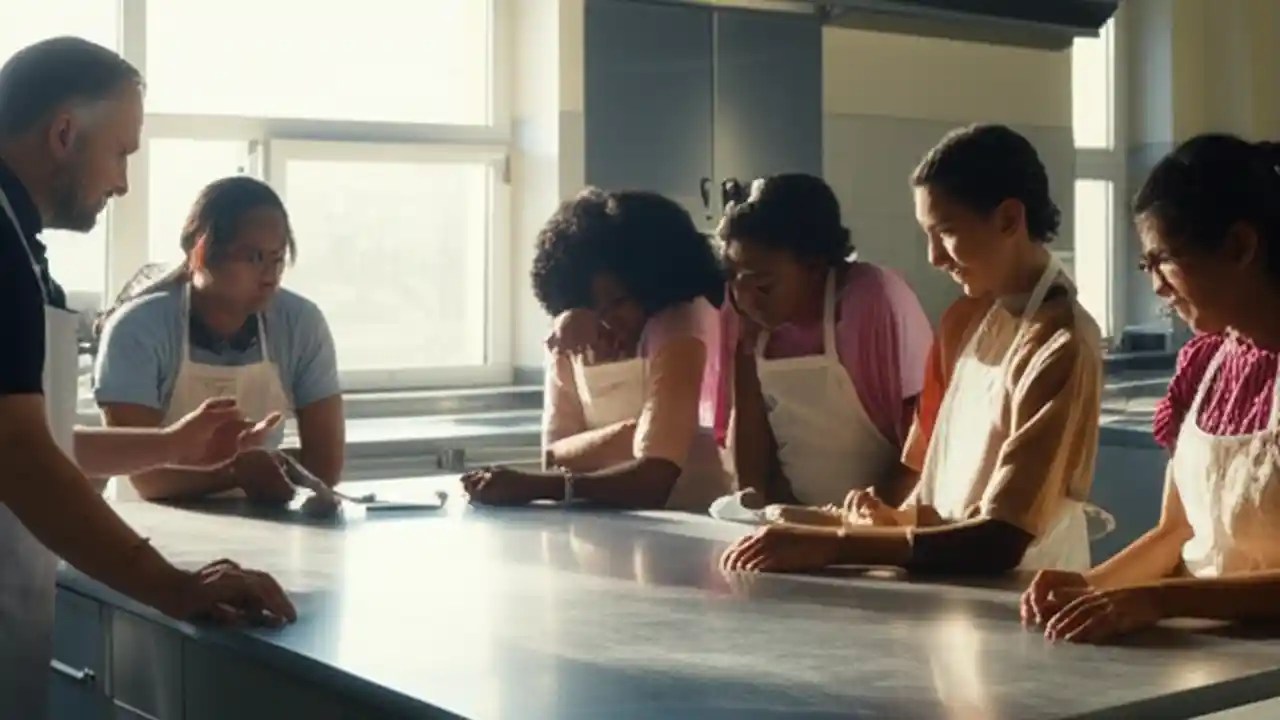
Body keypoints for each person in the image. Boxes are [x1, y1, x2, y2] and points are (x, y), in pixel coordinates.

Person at [0, 37, 295, 716]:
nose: (123, 182)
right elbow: (17, 453)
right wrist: (171, 586)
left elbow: (35, 434)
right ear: (64, 134)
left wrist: (170, 445)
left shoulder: (18, 242)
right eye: (121, 153)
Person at [721, 124, 1102, 575]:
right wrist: (865, 520)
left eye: (946, 232)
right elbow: (928, 488)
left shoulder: (1063, 343)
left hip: (1024, 591)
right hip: (947, 585)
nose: (934, 257)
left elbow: (1001, 538)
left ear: (1008, 220)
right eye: (928, 235)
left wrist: (836, 545)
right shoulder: (964, 322)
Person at [1023, 134, 1280, 644]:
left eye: (1162, 259)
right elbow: (1174, 532)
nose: (1156, 285)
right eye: (1147, 266)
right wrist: (1088, 587)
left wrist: (1162, 600)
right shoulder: (1207, 366)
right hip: (1213, 655)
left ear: (1239, 247)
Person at [462, 188, 729, 510]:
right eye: (593, 308)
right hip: (599, 518)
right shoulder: (573, 334)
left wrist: (539, 483)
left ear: (652, 288)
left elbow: (653, 480)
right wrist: (629, 434)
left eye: (620, 302)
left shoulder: (680, 325)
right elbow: (552, 455)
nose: (609, 320)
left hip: (693, 517)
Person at [95, 176, 344, 503]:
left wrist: (273, 471)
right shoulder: (138, 329)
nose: (270, 275)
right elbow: (148, 478)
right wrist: (236, 471)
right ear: (200, 254)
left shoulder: (300, 324)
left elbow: (326, 464)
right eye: (254, 258)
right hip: (150, 519)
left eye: (278, 258)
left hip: (266, 520)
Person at [714, 173, 932, 510]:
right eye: (733, 278)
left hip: (886, 515)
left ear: (815, 266)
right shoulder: (745, 314)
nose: (744, 298)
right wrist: (755, 508)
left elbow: (922, 442)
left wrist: (867, 520)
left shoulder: (871, 300)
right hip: (798, 516)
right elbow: (749, 425)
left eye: (764, 286)